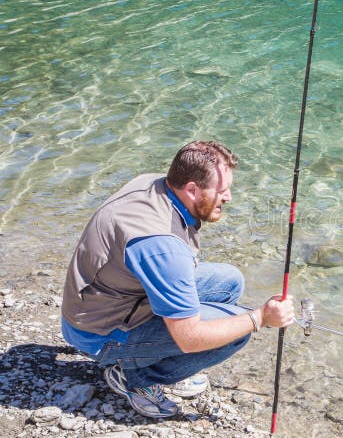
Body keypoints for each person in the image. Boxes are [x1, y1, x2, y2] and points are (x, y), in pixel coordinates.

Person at [61, 140, 294, 418]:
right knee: (236, 332)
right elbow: (190, 338)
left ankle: (154, 357)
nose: (229, 197)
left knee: (231, 282)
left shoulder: (154, 184)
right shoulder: (161, 246)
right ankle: (137, 379)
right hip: (99, 333)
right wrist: (261, 319)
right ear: (192, 190)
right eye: (221, 190)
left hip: (108, 302)